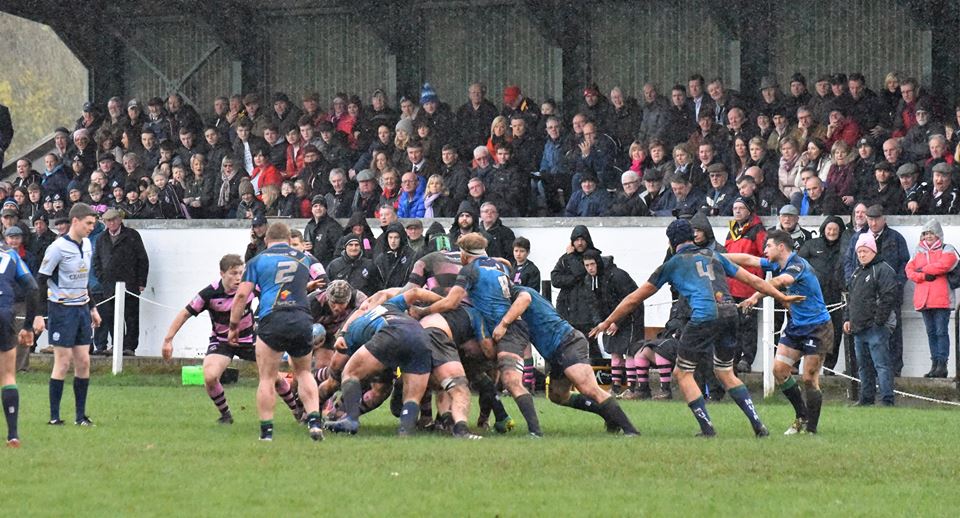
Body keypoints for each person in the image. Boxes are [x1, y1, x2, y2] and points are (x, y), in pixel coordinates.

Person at [592, 220, 801, 437]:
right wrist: (782, 297)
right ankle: (758, 425)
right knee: (725, 372)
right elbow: (752, 280)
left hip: (704, 316)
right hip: (730, 313)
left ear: (671, 242)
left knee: (682, 373)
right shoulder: (714, 255)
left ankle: (707, 429)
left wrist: (607, 322)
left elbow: (634, 299)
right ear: (692, 237)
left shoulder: (672, 264)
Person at [413, 233, 543, 437]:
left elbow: (451, 302)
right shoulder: (501, 265)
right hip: (507, 326)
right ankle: (494, 418)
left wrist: (423, 311)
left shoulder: (469, 270)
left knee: (509, 379)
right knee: (486, 373)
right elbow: (506, 263)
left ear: (465, 255)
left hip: (505, 328)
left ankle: (534, 431)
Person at [162, 254, 303, 424]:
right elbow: (185, 313)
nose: (238, 278)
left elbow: (276, 294)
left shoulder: (249, 287)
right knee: (210, 376)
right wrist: (168, 340)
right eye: (233, 273)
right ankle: (226, 415)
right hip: (222, 341)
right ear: (222, 273)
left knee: (274, 378)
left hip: (250, 340)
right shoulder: (209, 293)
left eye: (241, 273)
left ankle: (297, 411)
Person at [726, 230, 833, 435]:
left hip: (817, 327)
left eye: (768, 246)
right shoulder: (776, 264)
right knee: (779, 371)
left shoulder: (797, 265)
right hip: (796, 326)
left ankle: (811, 430)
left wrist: (755, 294)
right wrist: (719, 256)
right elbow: (748, 260)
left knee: (809, 378)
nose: (765, 250)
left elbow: (779, 282)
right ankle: (802, 416)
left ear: (781, 247)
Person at [497, 283, 639, 435]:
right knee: (558, 395)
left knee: (589, 389)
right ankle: (607, 414)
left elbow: (525, 299)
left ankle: (631, 431)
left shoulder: (519, 293)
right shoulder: (509, 300)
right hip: (555, 352)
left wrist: (503, 324)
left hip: (568, 342)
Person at [227, 222, 324, 441]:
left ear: (266, 240)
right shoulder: (305, 258)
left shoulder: (257, 260)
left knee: (267, 377)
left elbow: (241, 295)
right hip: (301, 318)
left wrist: (233, 326)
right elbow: (321, 281)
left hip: (273, 318)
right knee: (304, 372)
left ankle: (267, 433)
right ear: (289, 240)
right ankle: (315, 423)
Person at [324, 290, 434, 436]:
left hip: (392, 333)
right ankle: (405, 431)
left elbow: (340, 363)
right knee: (412, 396)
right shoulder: (392, 305)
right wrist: (445, 300)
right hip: (422, 337)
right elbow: (414, 292)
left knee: (350, 373)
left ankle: (351, 420)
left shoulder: (357, 324)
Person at [37, 203, 102, 427]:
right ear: (75, 221)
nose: (91, 228)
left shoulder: (87, 244)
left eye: (93, 224)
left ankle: (80, 416)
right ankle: (54, 417)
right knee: (63, 362)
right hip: (62, 309)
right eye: (88, 223)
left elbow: (84, 281)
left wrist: (92, 308)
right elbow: (41, 280)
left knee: (83, 361)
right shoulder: (57, 248)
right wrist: (39, 314)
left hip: (81, 308)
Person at [1, 225, 42, 446]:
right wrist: (27, 326)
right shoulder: (11, 256)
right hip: (4, 313)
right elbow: (33, 288)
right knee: (8, 376)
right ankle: (13, 435)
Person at [845, 233, 898, 407]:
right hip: (858, 328)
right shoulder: (856, 272)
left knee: (881, 365)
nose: (861, 254)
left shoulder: (883, 269)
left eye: (865, 251)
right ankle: (866, 398)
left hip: (876, 328)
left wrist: (878, 322)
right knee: (863, 366)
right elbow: (851, 299)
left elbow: (888, 297)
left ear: (873, 251)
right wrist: (847, 318)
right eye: (859, 251)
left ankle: (887, 399)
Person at [91, 209, 149, 356]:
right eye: (108, 221)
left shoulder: (132, 235)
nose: (111, 223)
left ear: (120, 220)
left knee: (131, 317)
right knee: (111, 317)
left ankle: (130, 347)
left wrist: (141, 281)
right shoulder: (101, 238)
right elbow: (96, 261)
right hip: (109, 286)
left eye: (114, 220)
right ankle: (117, 344)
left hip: (130, 283)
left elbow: (142, 259)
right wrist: (102, 279)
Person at [905, 220, 957, 378]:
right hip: (924, 299)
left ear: (938, 234)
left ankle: (942, 364)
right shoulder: (918, 250)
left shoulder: (947, 248)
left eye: (931, 233)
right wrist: (923, 275)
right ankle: (934, 364)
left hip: (942, 299)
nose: (928, 236)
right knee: (931, 333)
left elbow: (945, 264)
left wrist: (923, 269)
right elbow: (909, 270)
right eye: (926, 233)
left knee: (941, 332)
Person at [725, 197, 767, 372]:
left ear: (749, 210)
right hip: (731, 285)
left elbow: (764, 256)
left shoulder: (758, 230)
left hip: (749, 286)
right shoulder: (732, 230)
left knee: (748, 325)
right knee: (732, 325)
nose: (737, 211)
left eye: (741, 208)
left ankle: (746, 359)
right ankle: (732, 358)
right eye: (735, 208)